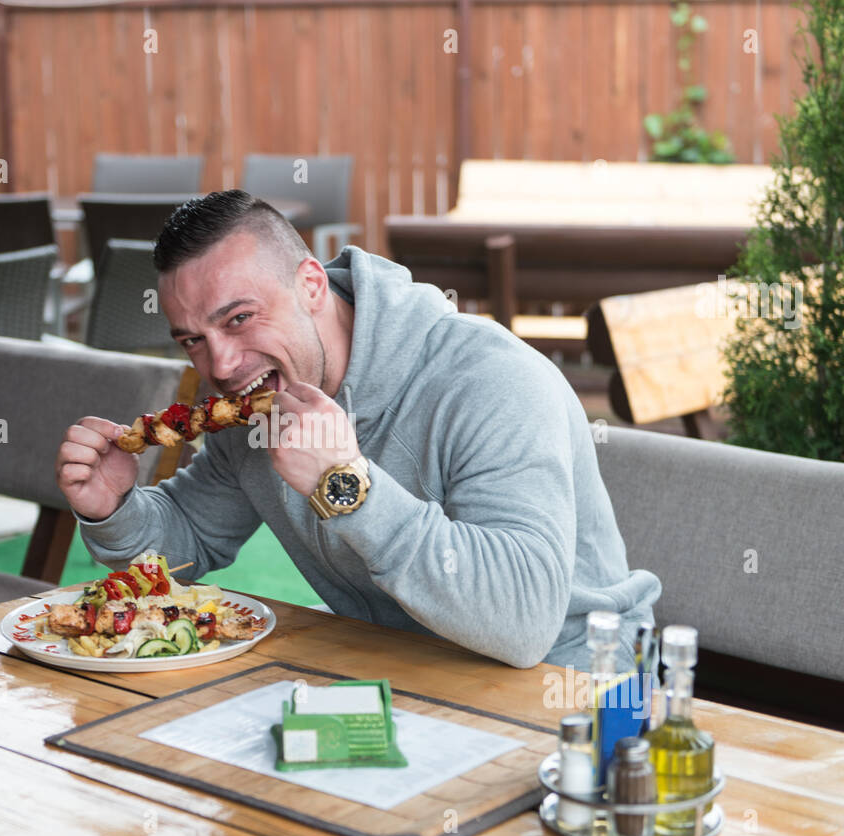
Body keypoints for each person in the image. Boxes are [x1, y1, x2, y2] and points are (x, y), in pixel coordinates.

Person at [55, 190, 660, 672]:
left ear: (312, 285)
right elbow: (188, 542)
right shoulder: (257, 404)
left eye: (239, 319)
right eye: (193, 340)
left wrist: (346, 486)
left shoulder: (491, 380)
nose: (221, 365)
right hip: (395, 669)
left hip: (571, 688)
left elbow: (524, 624)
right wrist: (117, 509)